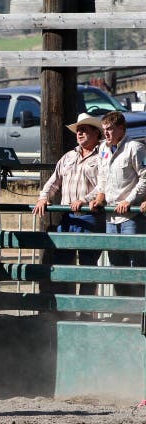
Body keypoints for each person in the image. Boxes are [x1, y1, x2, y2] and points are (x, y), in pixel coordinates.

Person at [33, 113, 105, 298]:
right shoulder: (68, 157)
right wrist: (43, 197)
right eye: (78, 130)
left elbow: (104, 185)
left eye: (84, 130)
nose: (80, 133)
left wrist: (86, 200)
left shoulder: (103, 157)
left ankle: (86, 309)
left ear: (96, 133)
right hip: (68, 216)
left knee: (88, 264)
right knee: (63, 261)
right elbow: (54, 181)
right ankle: (63, 306)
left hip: (91, 217)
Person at [89, 111, 146, 300]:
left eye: (110, 129)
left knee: (136, 262)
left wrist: (129, 201)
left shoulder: (134, 147)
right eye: (104, 129)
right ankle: (122, 307)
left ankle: (138, 310)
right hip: (111, 215)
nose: (106, 133)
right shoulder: (104, 150)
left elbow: (144, 178)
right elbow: (103, 179)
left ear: (122, 128)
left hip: (132, 215)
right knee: (115, 262)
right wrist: (99, 197)